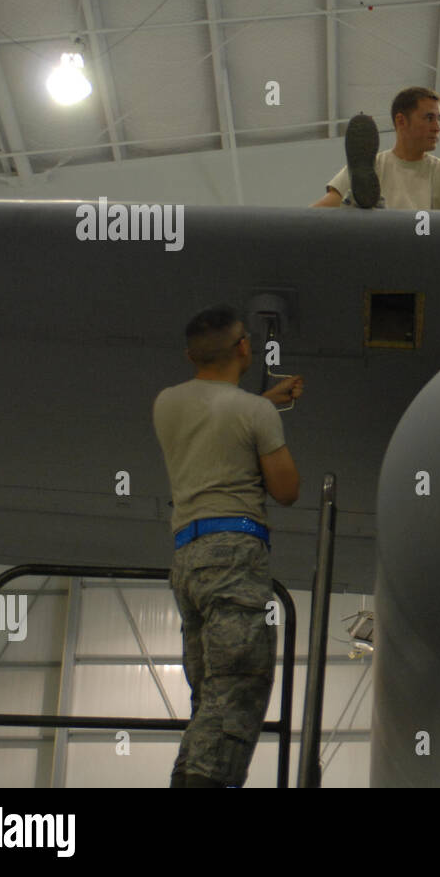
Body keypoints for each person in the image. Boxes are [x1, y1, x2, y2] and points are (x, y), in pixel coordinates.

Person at [153, 305, 304, 788]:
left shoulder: (167, 403)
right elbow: (286, 490)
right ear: (243, 348)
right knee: (238, 687)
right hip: (235, 554)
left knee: (210, 698)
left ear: (190, 354)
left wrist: (262, 405)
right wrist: (266, 416)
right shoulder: (255, 412)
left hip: (188, 558)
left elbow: (217, 419)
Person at [311, 86, 440, 212]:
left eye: (439, 119)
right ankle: (363, 202)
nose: (438, 127)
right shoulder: (370, 166)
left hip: (429, 248)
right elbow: (321, 212)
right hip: (379, 242)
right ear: (401, 121)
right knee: (356, 206)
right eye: (429, 118)